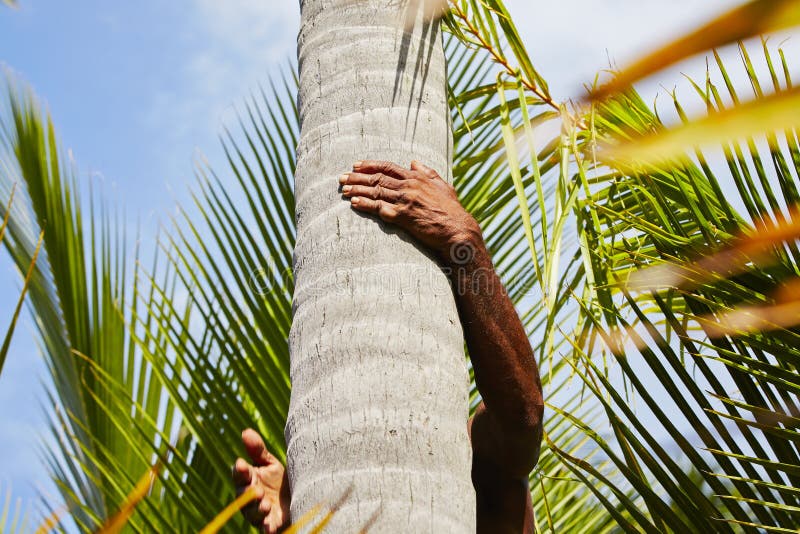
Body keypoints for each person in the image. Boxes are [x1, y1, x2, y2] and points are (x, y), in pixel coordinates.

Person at [232, 160, 544, 533]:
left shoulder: (465, 459)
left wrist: (465, 244)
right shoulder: (345, 452)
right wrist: (304, 516)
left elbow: (523, 417)